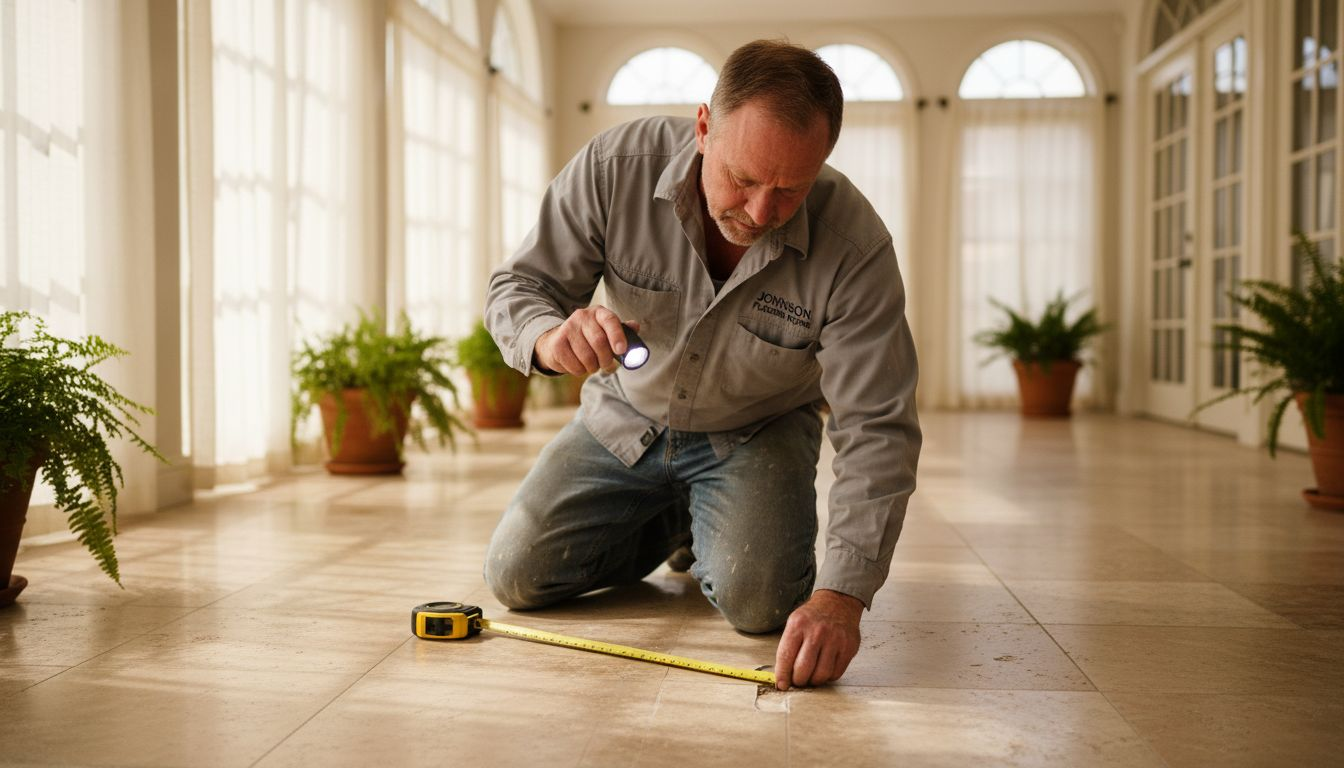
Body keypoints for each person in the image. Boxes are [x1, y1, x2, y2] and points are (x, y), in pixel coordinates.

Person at [482, 39, 921, 691]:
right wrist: (548, 339)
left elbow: (877, 426)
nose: (761, 213)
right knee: (515, 577)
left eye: (790, 190)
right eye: (743, 179)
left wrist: (842, 597)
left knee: (761, 605)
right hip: (625, 417)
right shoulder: (613, 168)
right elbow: (520, 286)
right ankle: (682, 521)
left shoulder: (855, 248)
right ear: (704, 127)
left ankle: (712, 521)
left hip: (757, 430)